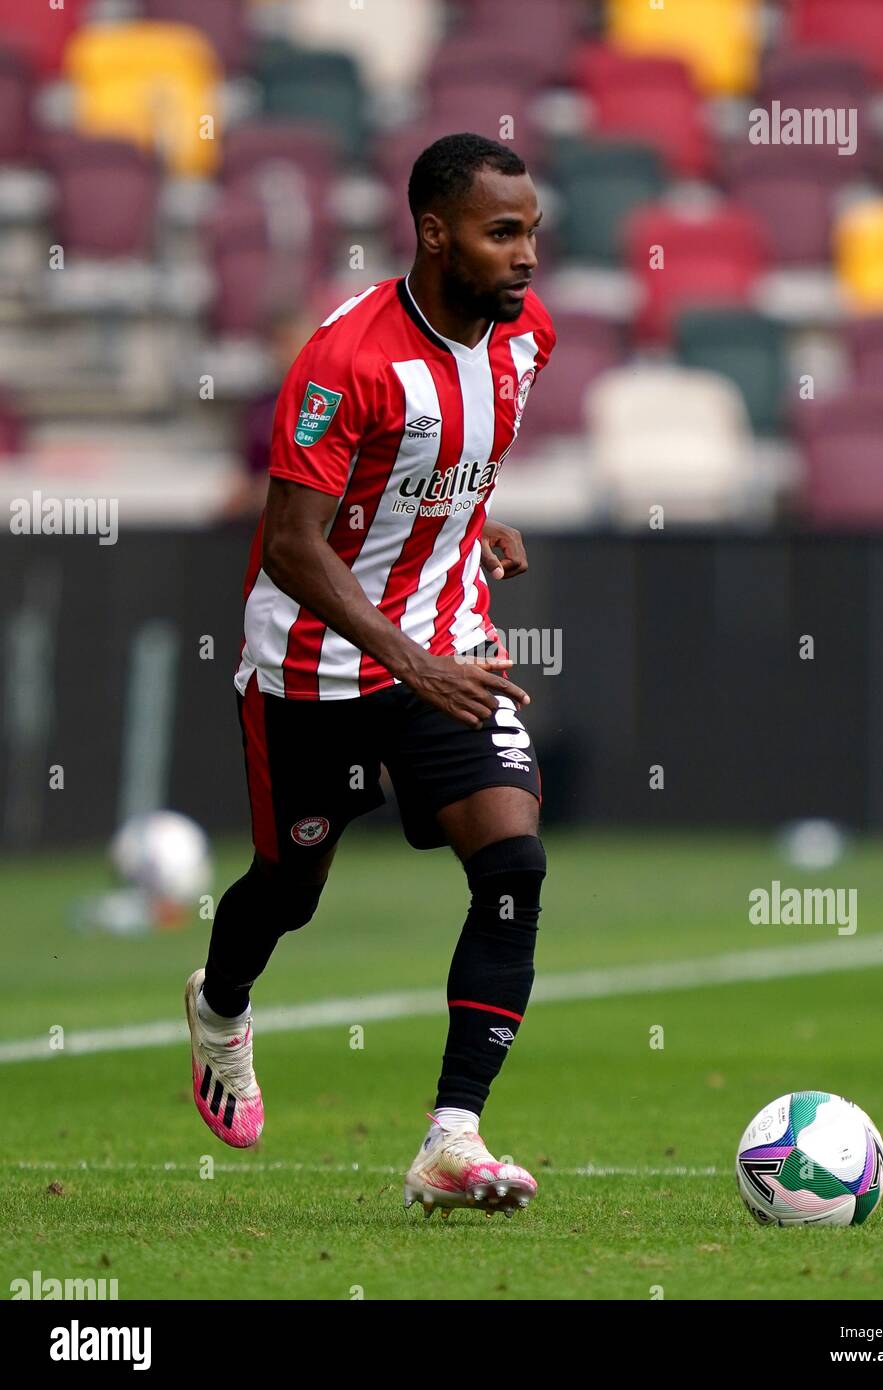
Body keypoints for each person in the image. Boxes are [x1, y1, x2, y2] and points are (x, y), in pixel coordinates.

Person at [184, 132, 556, 1218]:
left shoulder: (525, 336)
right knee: (287, 890)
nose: (526, 255)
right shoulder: (342, 359)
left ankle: (452, 1136)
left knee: (513, 864)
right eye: (502, 233)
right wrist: (411, 661)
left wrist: (478, 524)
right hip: (313, 666)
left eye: (531, 230)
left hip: (447, 643)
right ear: (435, 234)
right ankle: (220, 1006)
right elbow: (296, 544)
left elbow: (446, 462)